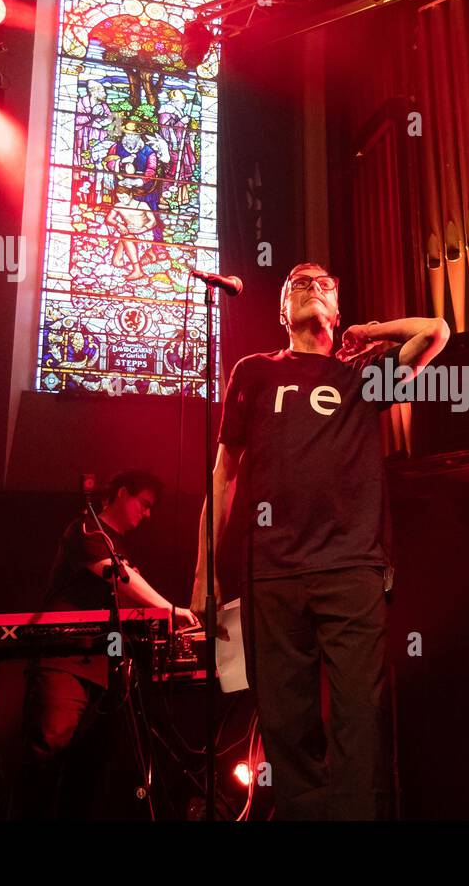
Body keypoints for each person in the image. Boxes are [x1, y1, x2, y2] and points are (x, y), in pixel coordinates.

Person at [191, 262, 449, 819]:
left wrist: (372, 331)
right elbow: (223, 474)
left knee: (359, 719)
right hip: (273, 571)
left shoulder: (363, 378)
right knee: (287, 726)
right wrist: (204, 573)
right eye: (297, 285)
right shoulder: (254, 371)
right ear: (282, 312)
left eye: (324, 285)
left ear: (336, 311)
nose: (311, 287)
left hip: (351, 568)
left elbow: (435, 332)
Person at [17, 469, 197, 818]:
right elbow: (122, 578)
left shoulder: (119, 547)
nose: (147, 515)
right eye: (144, 505)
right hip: (64, 659)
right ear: (121, 493)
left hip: (101, 670)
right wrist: (170, 610)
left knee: (87, 768)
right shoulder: (85, 528)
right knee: (48, 751)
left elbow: (129, 589)